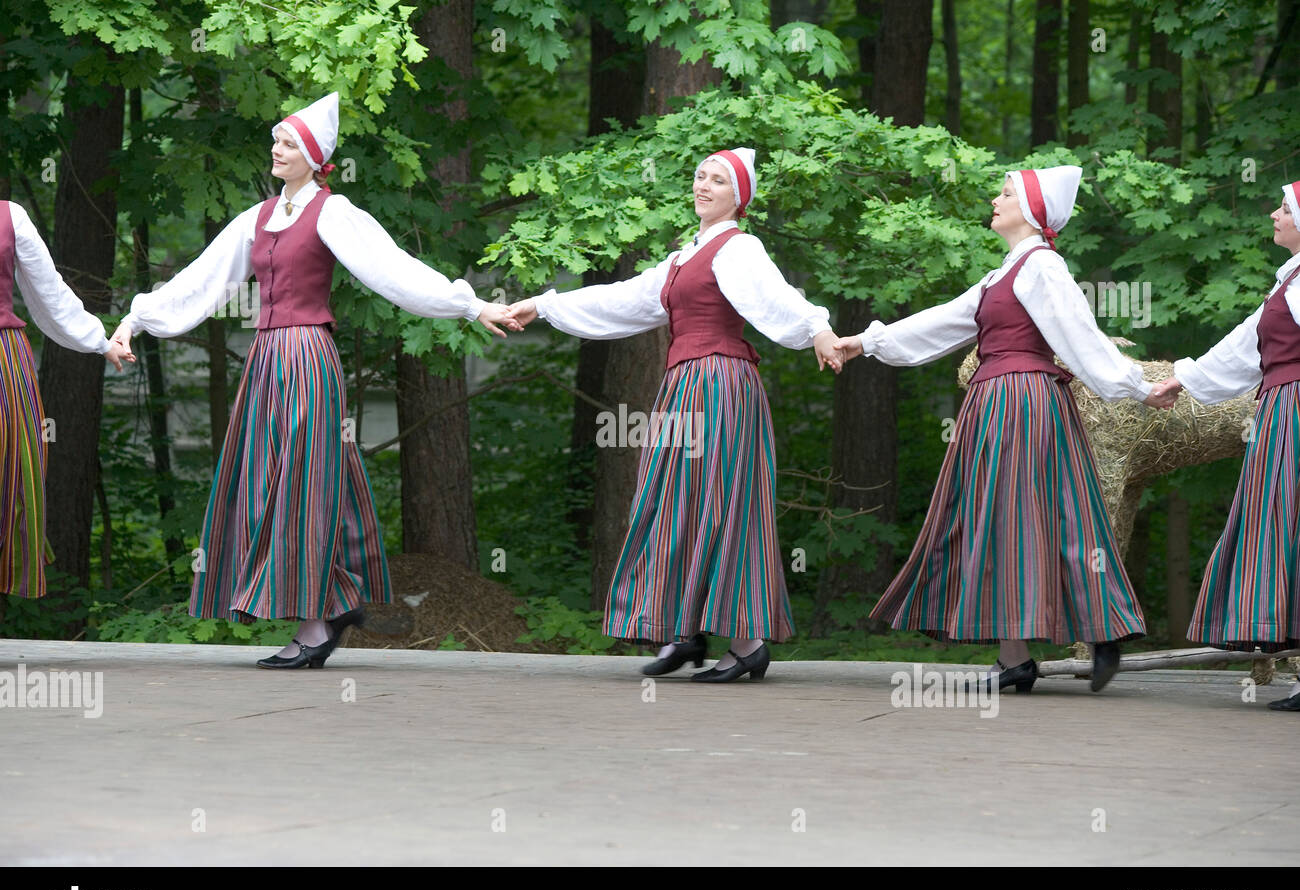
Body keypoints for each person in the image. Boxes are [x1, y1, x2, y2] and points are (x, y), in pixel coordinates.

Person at [109, 92, 515, 668]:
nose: (276, 150)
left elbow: (393, 270)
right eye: (275, 140)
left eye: (288, 143)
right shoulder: (259, 218)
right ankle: (338, 603)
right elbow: (201, 280)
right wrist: (134, 320)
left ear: (314, 156)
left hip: (306, 358)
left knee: (304, 484)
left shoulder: (334, 212)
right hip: (266, 360)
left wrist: (471, 307)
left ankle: (319, 621)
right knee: (284, 481)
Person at [830, 165, 1174, 693]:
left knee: (1046, 516)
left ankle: (1103, 629)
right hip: (995, 403)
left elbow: (1082, 338)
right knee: (999, 520)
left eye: (1007, 193)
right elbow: (944, 321)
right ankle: (1015, 658)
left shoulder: (1043, 268)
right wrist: (863, 342)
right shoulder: (1004, 274)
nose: (996, 199)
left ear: (1032, 211)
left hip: (1023, 403)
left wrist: (1137, 386)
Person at [506, 148, 841, 682]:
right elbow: (624, 300)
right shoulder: (684, 257)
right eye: (700, 176)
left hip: (721, 385)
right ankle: (683, 632)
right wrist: (544, 305)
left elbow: (779, 300)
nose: (704, 186)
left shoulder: (739, 248)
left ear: (740, 197)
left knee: (722, 500)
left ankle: (749, 642)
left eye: (719, 180)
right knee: (672, 497)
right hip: (683, 384)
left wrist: (817, 329)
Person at [1151, 181, 1300, 711]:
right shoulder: (1289, 283)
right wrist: (1181, 379)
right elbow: (1243, 347)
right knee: (1286, 530)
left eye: (1283, 208)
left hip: (1295, 410)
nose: (1273, 214)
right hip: (1282, 410)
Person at [0, 201, 130, 601]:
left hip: (2, 363)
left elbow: (49, 292)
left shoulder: (10, 217)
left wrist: (99, 341)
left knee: (8, 483)